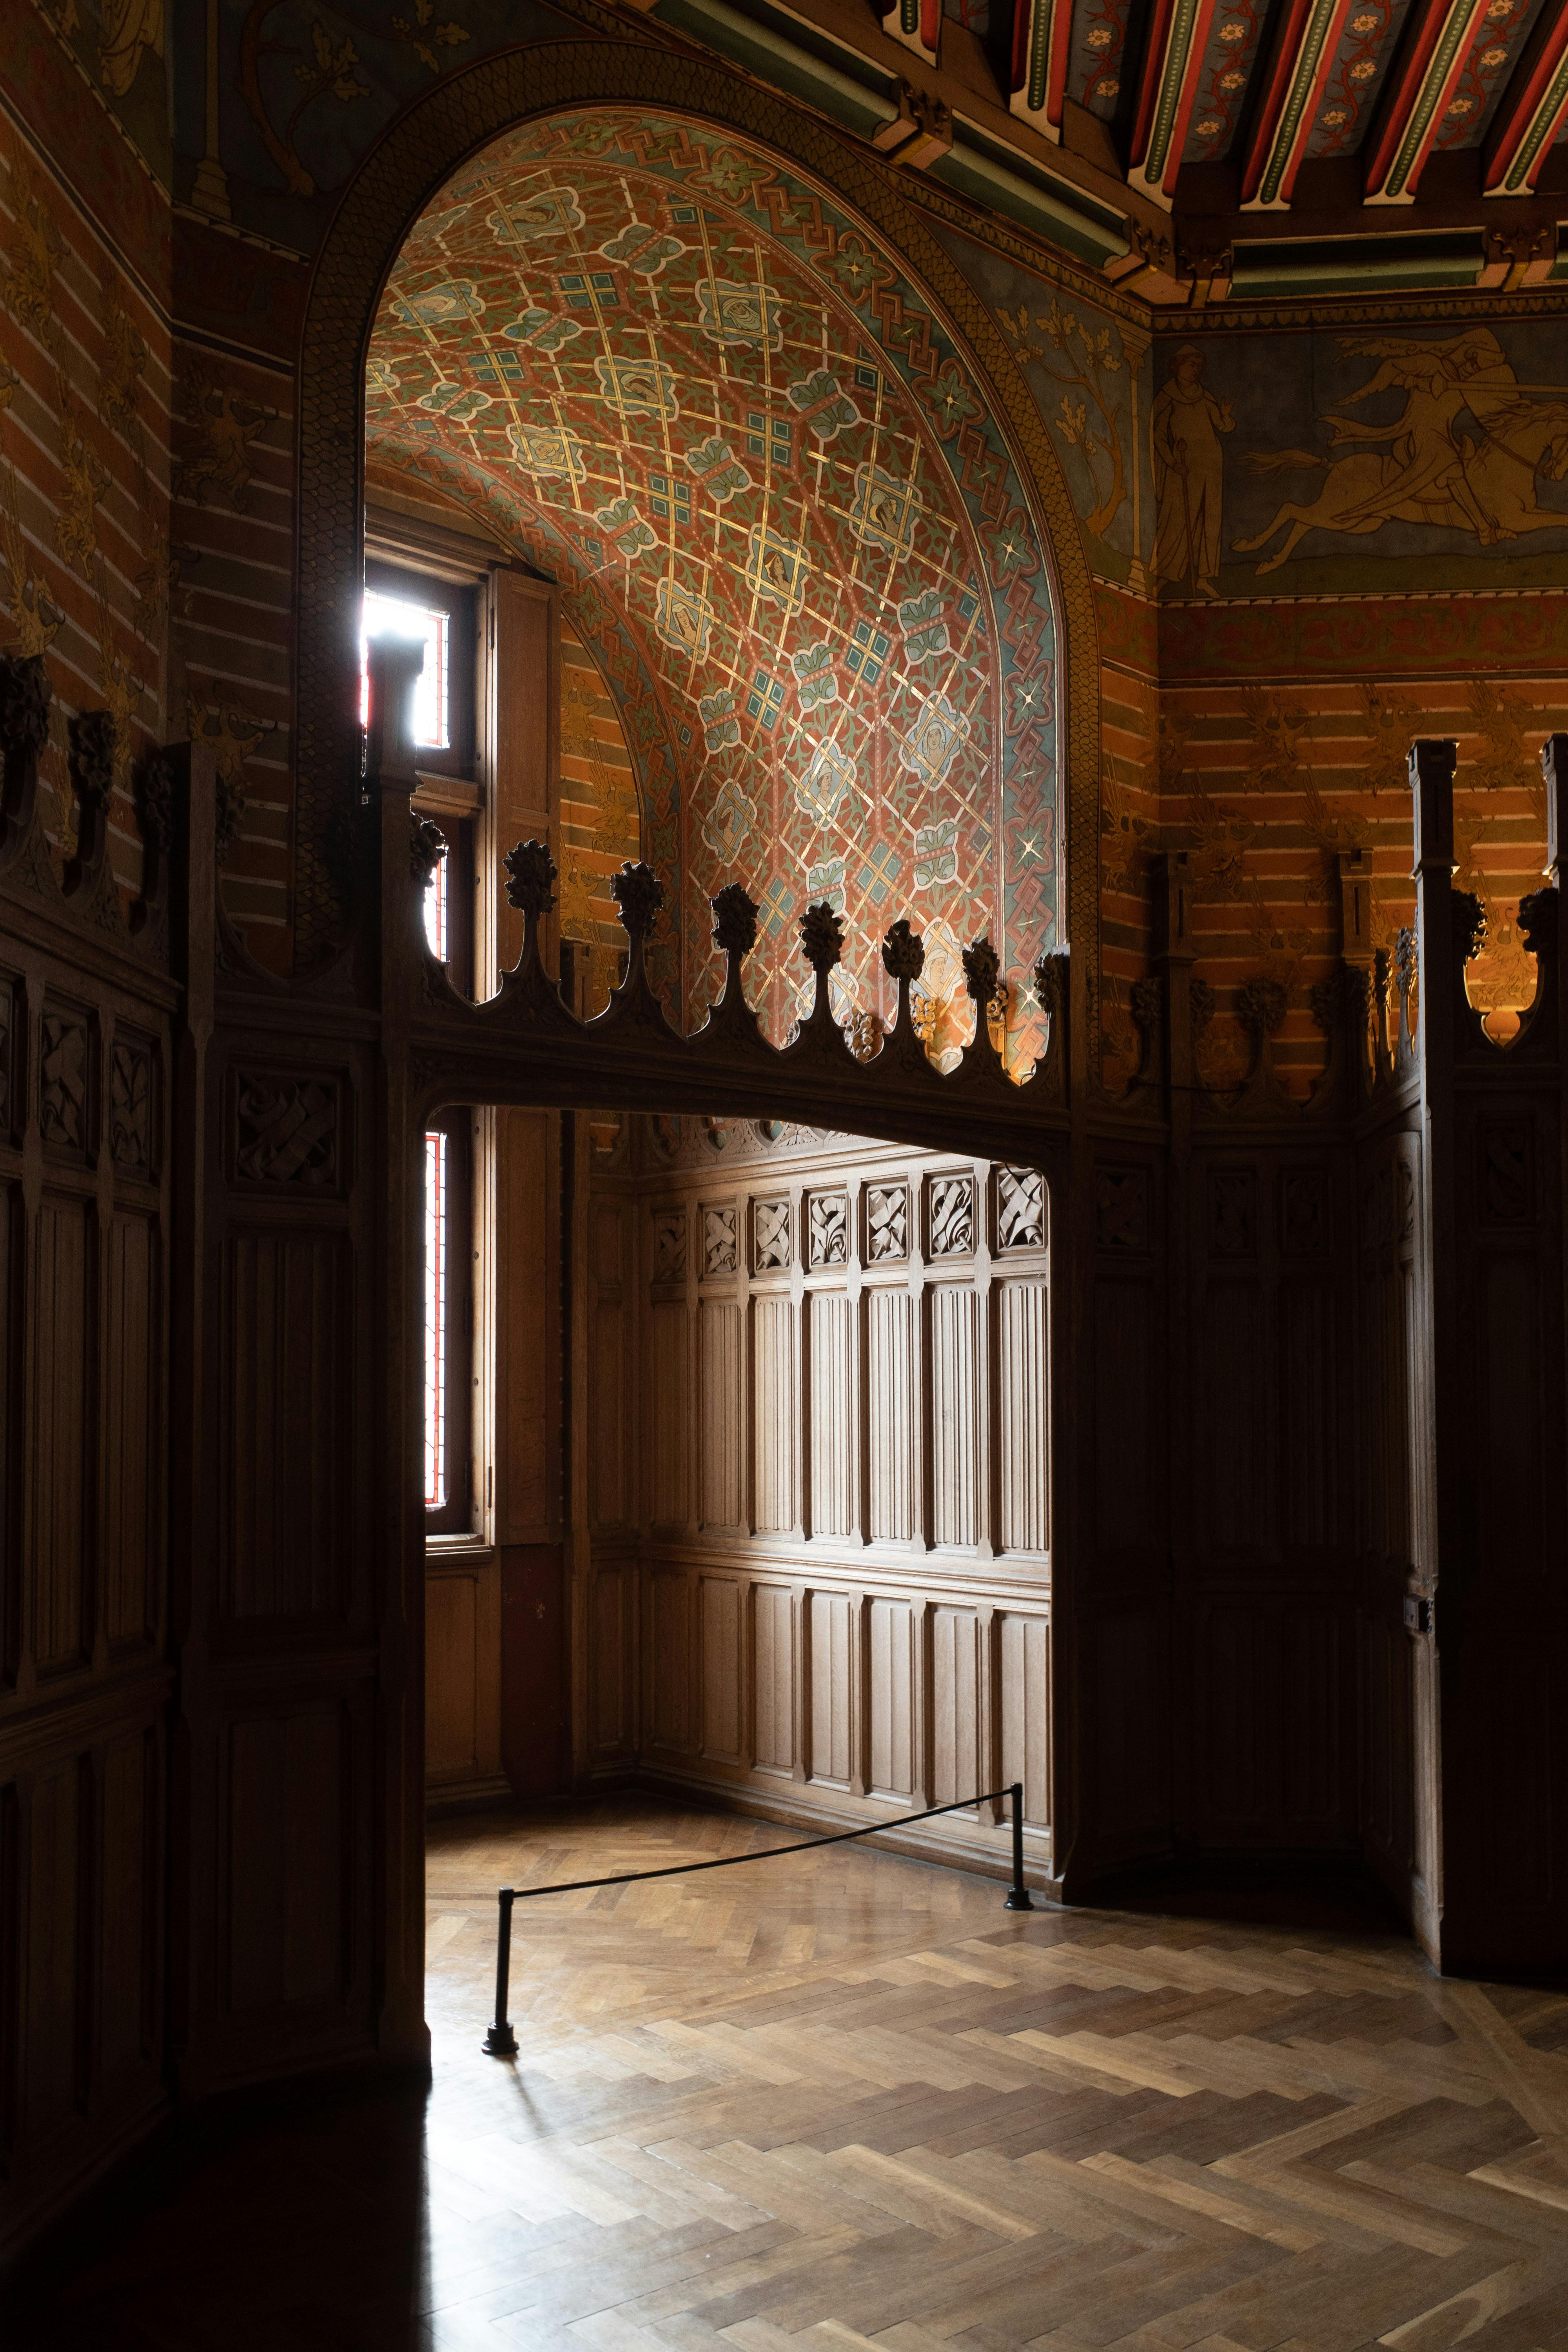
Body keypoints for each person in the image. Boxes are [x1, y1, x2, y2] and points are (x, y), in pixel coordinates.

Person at [1150, 345, 1234, 596]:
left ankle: (1204, 577)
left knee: (1211, 520)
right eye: (1190, 364)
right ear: (1178, 365)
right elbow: (1159, 435)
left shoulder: (1204, 395)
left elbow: (1222, 426)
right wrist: (1173, 463)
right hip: (1183, 469)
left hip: (1211, 465)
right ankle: (1166, 574)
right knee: (1176, 521)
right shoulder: (1168, 395)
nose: (1195, 370)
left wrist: (1226, 415)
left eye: (1198, 366)